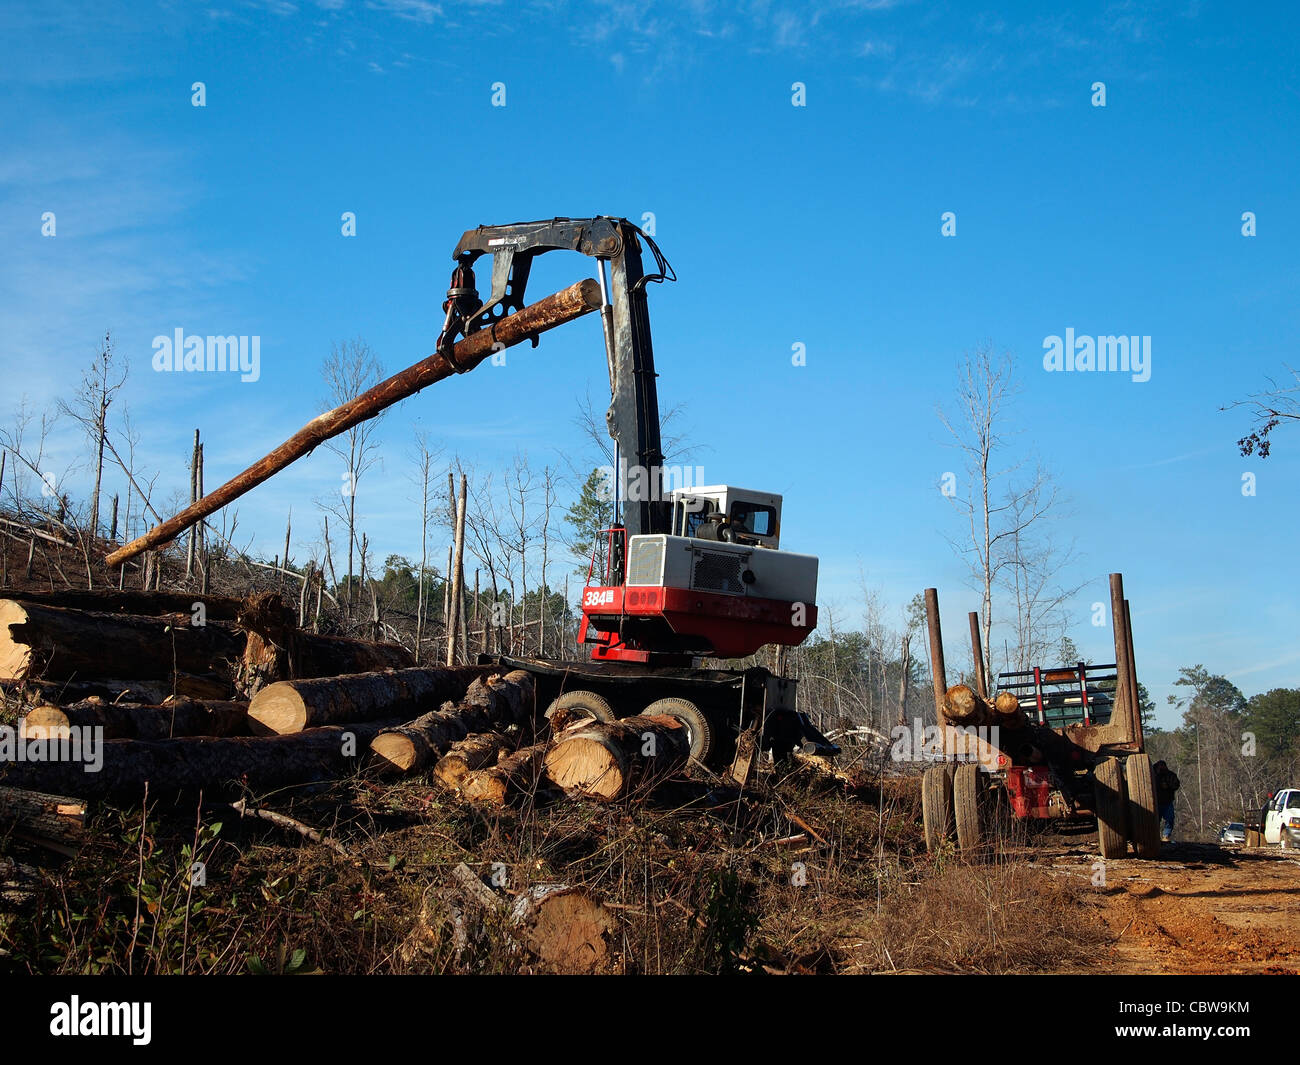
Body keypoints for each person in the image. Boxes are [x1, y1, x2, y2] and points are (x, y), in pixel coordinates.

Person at [1153, 760, 1181, 843]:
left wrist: (1168, 785)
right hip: (1155, 803)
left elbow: (1176, 785)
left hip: (1167, 802)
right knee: (1155, 821)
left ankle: (1166, 835)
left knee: (1169, 819)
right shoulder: (1152, 775)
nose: (1161, 768)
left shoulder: (1170, 775)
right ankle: (1155, 836)